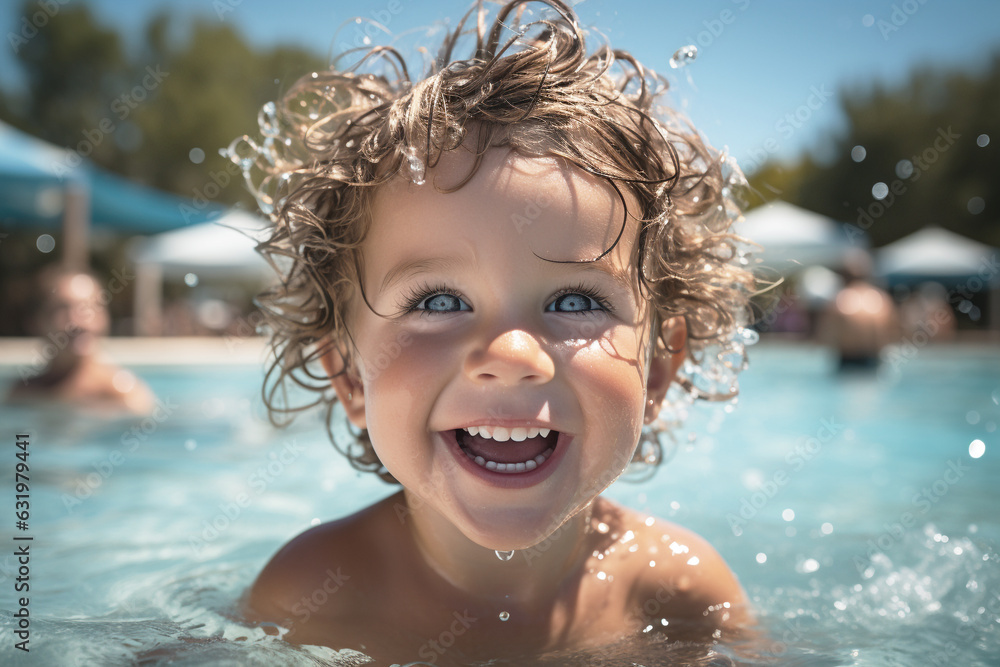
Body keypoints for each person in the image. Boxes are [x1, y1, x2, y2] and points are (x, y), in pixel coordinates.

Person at [236, 1, 757, 663]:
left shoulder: (680, 593)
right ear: (347, 373)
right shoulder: (313, 595)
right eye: (440, 299)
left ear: (657, 368)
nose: (512, 354)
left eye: (573, 300)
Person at [5, 267, 155, 416]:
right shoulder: (24, 392)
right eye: (64, 309)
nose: (80, 323)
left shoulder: (122, 393)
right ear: (35, 321)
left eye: (92, 308)